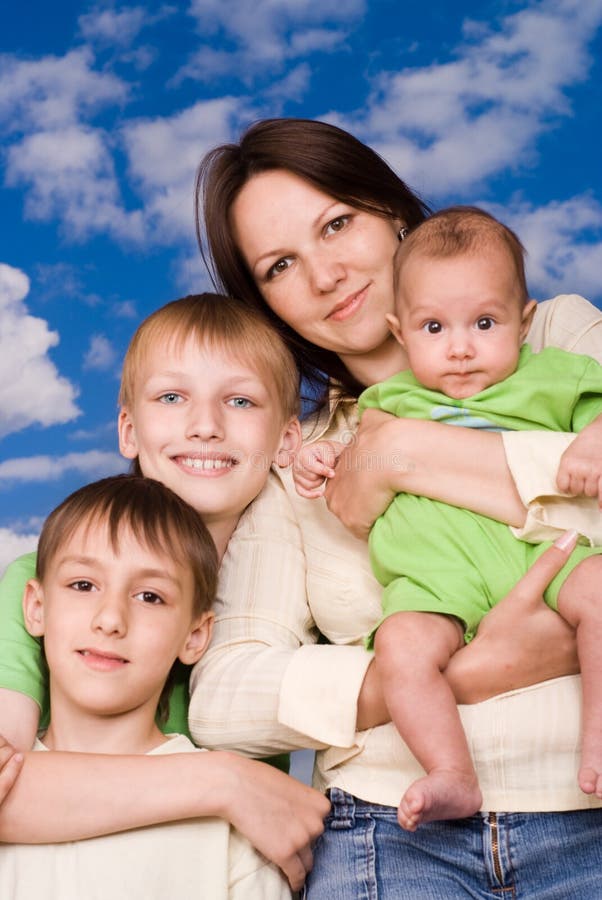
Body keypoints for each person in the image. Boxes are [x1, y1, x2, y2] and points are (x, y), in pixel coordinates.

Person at [190, 117, 602, 898]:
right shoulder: (300, 456)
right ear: (267, 303)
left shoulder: (557, 336)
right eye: (281, 265)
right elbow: (225, 696)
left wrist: (398, 455)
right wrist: (470, 673)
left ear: (394, 213)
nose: (324, 275)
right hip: (389, 830)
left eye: (337, 224)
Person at [0, 293, 328, 893]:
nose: (205, 424)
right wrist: (224, 780)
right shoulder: (44, 577)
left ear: (287, 441)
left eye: (239, 400)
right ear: (129, 427)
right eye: (172, 397)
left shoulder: (307, 595)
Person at [293, 206, 602, 831]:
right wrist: (322, 456)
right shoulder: (390, 401)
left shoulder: (557, 376)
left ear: (525, 322)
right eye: (433, 327)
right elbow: (363, 468)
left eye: (483, 323)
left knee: (601, 593)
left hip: (542, 554)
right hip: (435, 575)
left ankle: (598, 735)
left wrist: (594, 437)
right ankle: (451, 773)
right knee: (402, 650)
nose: (459, 348)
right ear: (401, 333)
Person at [0, 473, 291, 900]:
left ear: (195, 635)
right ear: (36, 607)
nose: (110, 619)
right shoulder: (6, 782)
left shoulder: (238, 823)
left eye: (149, 597)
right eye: (83, 585)